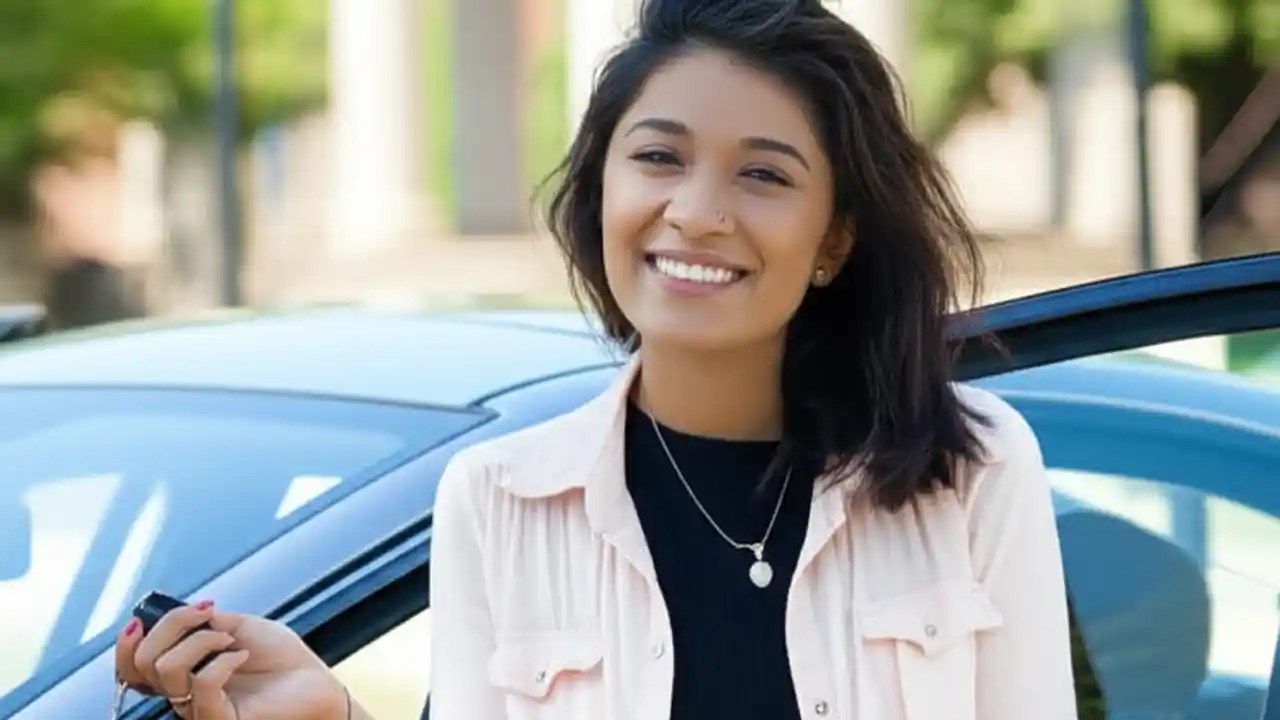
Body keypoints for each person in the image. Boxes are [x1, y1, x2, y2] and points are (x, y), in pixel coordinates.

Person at [113, 0, 1077, 717]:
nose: (697, 210)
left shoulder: (973, 471)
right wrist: (332, 717)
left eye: (763, 173)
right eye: (659, 157)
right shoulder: (496, 500)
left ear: (835, 240)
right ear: (600, 188)